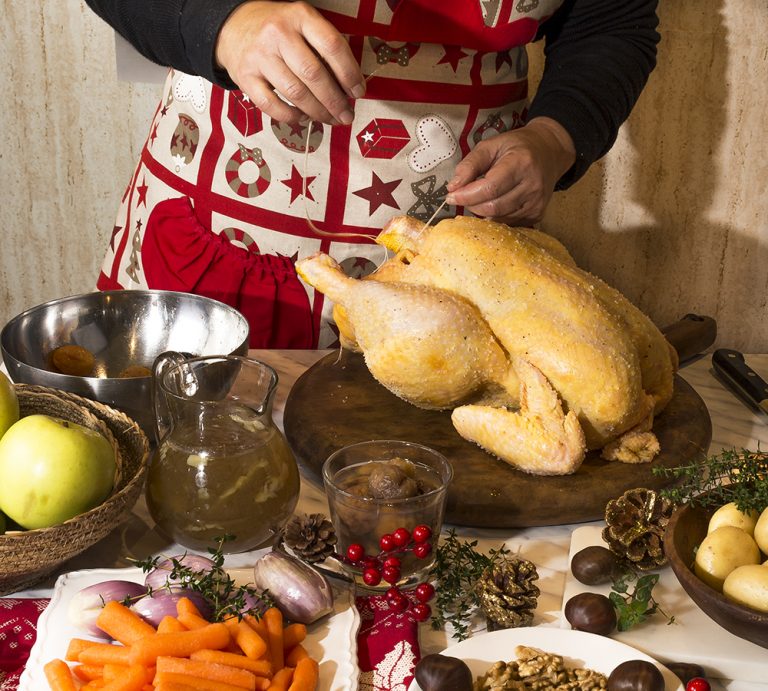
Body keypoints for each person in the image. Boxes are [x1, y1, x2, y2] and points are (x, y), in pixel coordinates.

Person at [85, 0, 659, 348]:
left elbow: (612, 20)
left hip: (455, 249)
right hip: (226, 221)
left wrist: (555, 137)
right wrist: (223, 22)